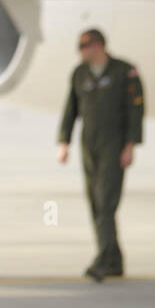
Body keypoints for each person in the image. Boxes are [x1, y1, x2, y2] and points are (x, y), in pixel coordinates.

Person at [57, 28, 144, 281]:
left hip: (114, 144)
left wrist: (130, 146)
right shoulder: (79, 73)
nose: (81, 51)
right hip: (89, 144)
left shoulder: (124, 72)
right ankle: (114, 259)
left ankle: (103, 259)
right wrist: (64, 143)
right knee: (95, 202)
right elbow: (70, 109)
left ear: (98, 46)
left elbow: (136, 111)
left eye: (84, 46)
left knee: (106, 202)